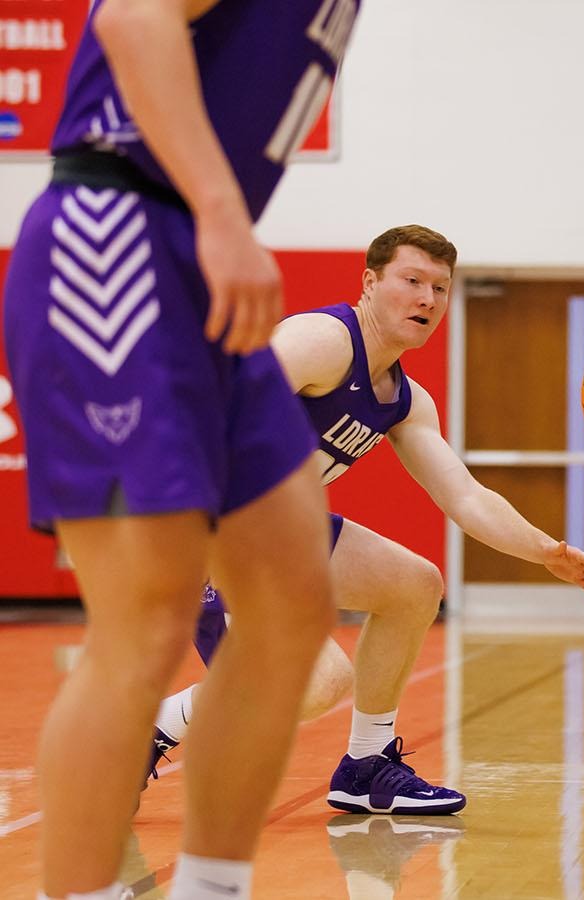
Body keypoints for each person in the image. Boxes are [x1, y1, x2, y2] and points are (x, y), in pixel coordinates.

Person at [0, 0, 370, 896]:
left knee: (289, 603)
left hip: (194, 263)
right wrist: (220, 210)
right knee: (145, 620)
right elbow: (133, 18)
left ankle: (211, 886)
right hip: (119, 231)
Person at [146, 225, 584, 815]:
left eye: (439, 288)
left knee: (415, 586)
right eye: (412, 280)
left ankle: (366, 766)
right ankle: (155, 725)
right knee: (320, 683)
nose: (426, 299)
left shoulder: (407, 402)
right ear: (370, 283)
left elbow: (465, 496)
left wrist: (545, 550)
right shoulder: (322, 341)